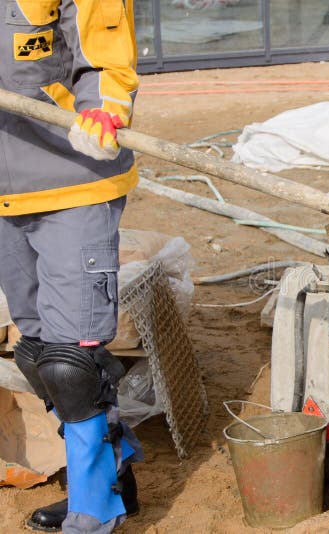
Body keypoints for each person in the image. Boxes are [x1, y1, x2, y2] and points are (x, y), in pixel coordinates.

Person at [0, 0, 142, 532]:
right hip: (4, 192)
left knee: (69, 359)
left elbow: (104, 58)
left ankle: (95, 506)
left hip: (73, 173)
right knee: (36, 351)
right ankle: (113, 463)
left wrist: (104, 111)